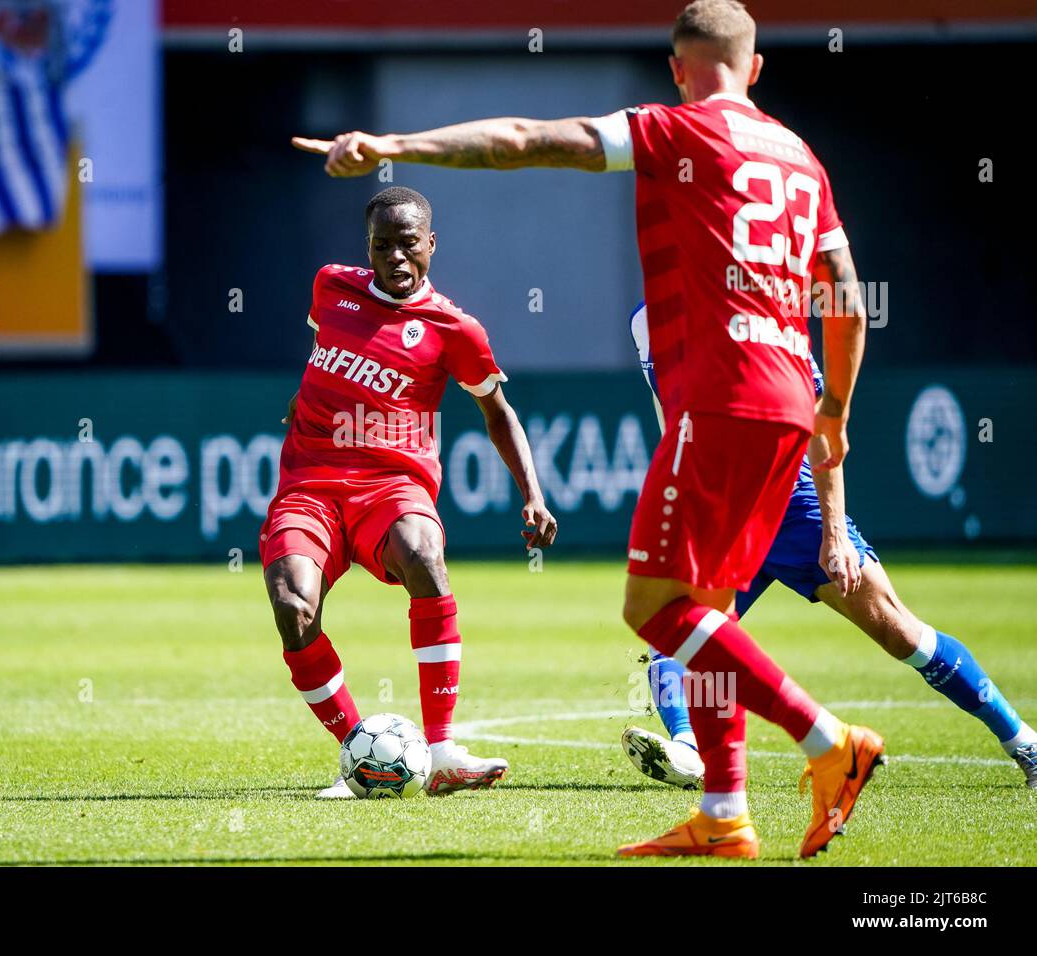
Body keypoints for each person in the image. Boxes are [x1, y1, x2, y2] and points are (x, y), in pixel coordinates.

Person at [293, 0, 882, 857]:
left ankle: (831, 742)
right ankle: (725, 815)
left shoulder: (676, 131)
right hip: (793, 398)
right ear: (755, 69)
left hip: (719, 398)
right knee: (710, 606)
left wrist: (394, 147)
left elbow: (525, 138)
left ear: (679, 69)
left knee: (654, 608)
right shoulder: (800, 156)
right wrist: (836, 409)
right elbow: (847, 297)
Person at [624, 302, 1037, 790]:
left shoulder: (763, 309)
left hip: (791, 503)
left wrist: (835, 533)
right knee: (673, 630)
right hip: (719, 509)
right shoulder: (645, 321)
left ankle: (1024, 743)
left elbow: (821, 425)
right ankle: (690, 753)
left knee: (901, 634)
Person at [264, 186, 557, 797]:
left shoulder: (455, 329)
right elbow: (326, 352)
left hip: (393, 483)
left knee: (423, 552)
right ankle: (360, 755)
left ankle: (443, 749)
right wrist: (305, 402)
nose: (395, 257)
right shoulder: (330, 287)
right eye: (382, 245)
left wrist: (533, 492)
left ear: (430, 245)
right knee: (294, 608)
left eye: (407, 245)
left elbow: (497, 411)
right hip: (309, 484)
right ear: (367, 247)